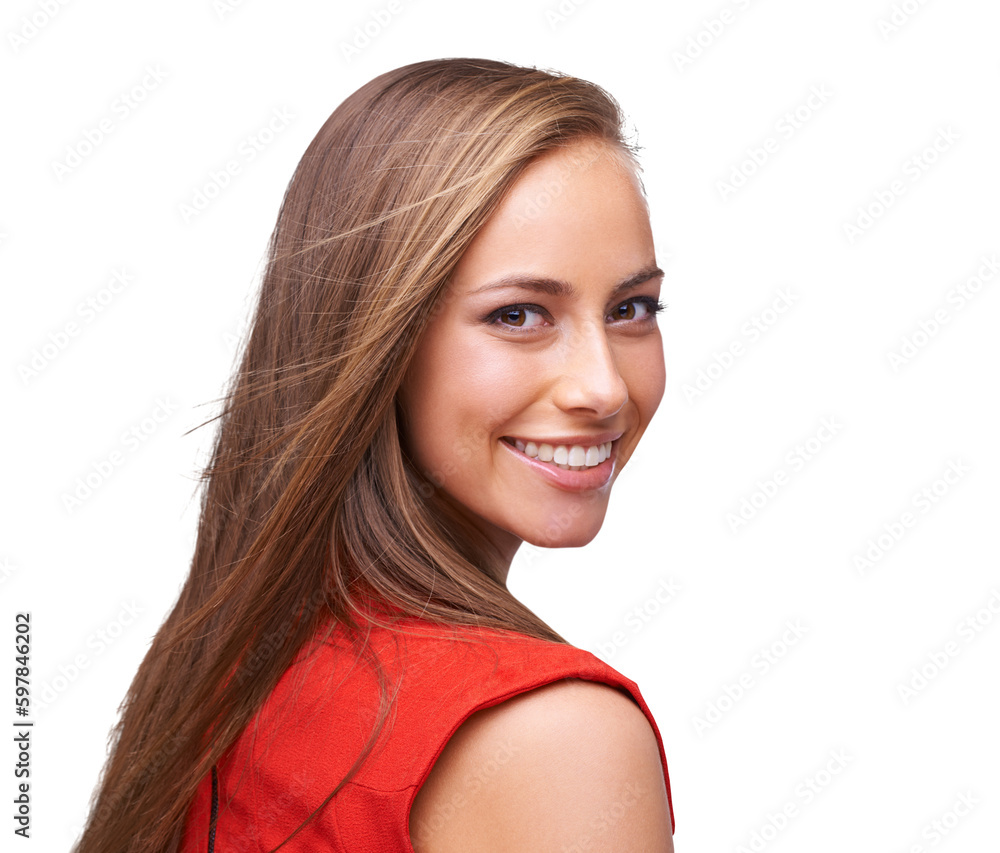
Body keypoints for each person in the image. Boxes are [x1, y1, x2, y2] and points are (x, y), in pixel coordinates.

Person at [74, 57, 675, 853]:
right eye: (520, 314)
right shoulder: (554, 737)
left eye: (632, 308)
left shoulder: (226, 666)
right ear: (377, 336)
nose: (603, 387)